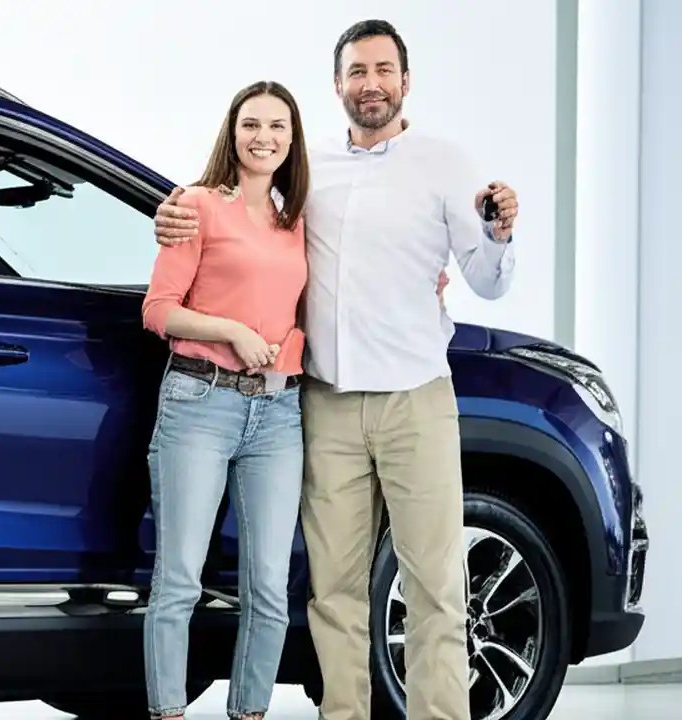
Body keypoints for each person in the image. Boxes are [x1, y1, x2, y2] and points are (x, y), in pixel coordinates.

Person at [151, 19, 519, 720]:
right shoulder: (308, 171)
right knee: (334, 590)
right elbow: (240, 224)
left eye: (383, 70)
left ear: (405, 82)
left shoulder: (445, 163)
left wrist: (500, 237)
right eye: (357, 71)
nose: (370, 84)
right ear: (337, 85)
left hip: (415, 399)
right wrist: (171, 216)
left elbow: (486, 279)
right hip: (323, 404)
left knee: (435, 585)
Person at [140, 79, 310, 720]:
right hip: (199, 401)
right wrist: (233, 331)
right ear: (232, 133)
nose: (264, 137)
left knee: (270, 586)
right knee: (179, 579)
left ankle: (251, 711)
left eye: (278, 127)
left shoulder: (299, 221)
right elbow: (159, 311)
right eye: (251, 125)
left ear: (293, 141)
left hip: (278, 412)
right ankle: (167, 712)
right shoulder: (197, 206)